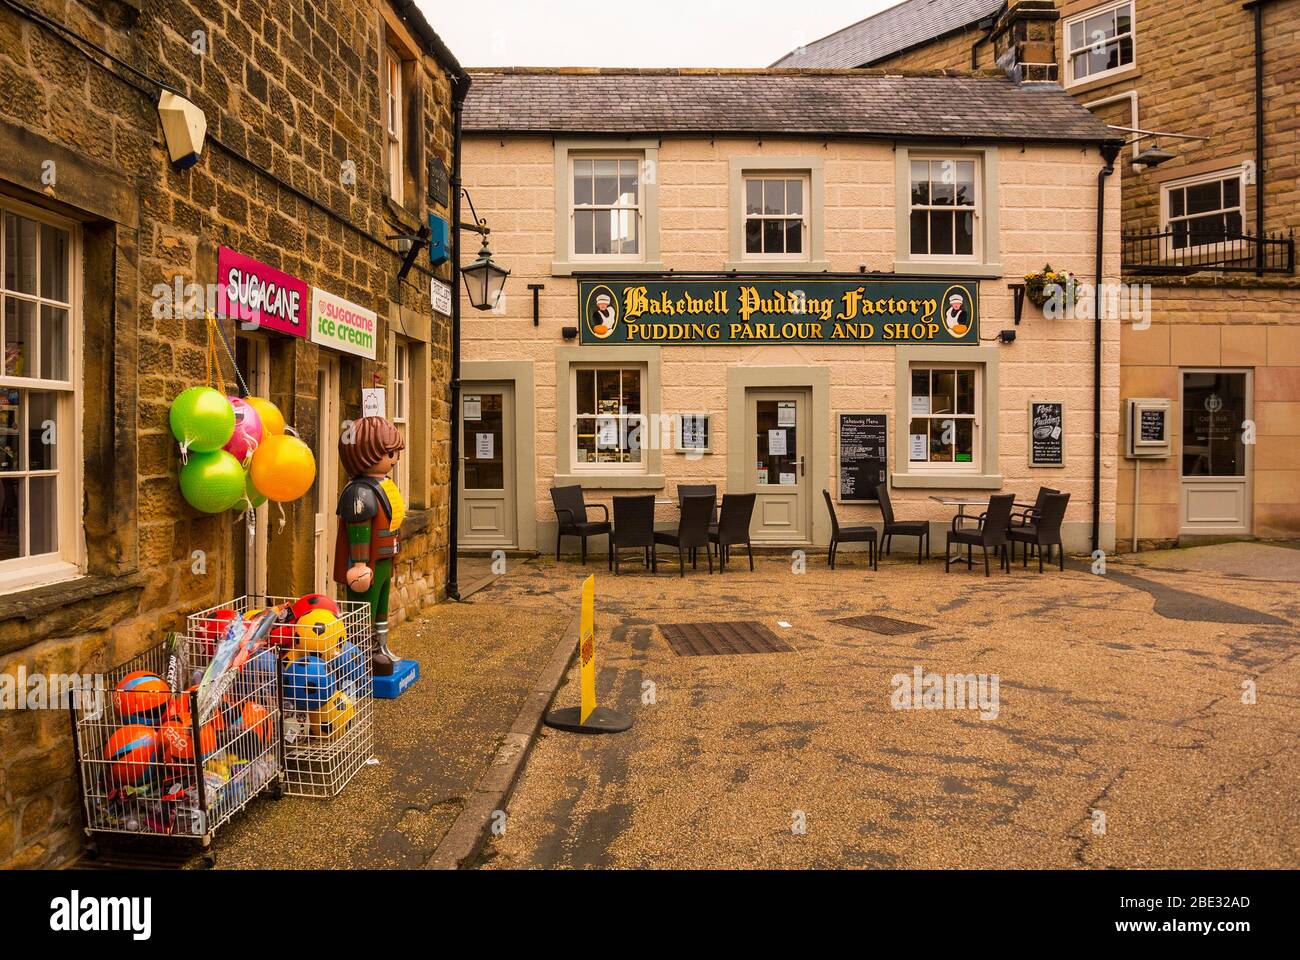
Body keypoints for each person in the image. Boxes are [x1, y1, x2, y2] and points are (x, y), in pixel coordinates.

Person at [334, 416, 406, 676]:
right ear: (365, 455)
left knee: (381, 607)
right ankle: (362, 652)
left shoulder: (383, 486)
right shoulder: (359, 492)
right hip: (367, 566)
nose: (394, 458)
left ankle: (381, 646)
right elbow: (359, 529)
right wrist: (360, 564)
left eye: (394, 452)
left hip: (384, 560)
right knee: (363, 610)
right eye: (389, 452)